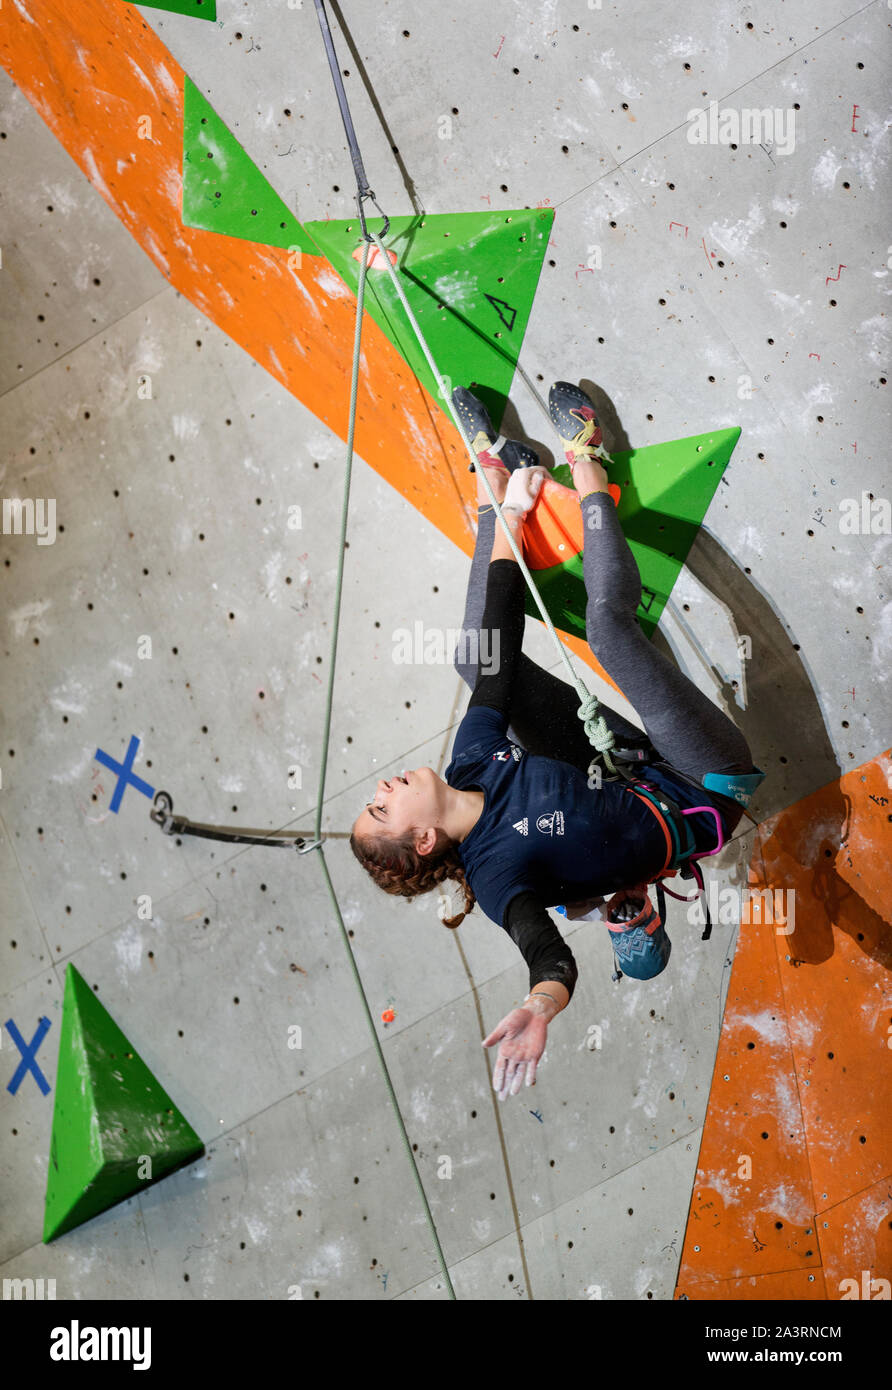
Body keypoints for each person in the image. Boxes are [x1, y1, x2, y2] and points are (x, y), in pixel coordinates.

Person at [350, 382, 762, 1102]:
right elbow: (549, 961)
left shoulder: (469, 762)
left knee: (477, 663)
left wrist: (505, 513)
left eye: (374, 797)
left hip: (626, 773)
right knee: (608, 630)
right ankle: (588, 459)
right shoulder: (501, 879)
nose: (383, 790)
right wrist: (540, 1007)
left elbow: (497, 648)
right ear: (422, 842)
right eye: (382, 810)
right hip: (704, 785)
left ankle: (495, 481)